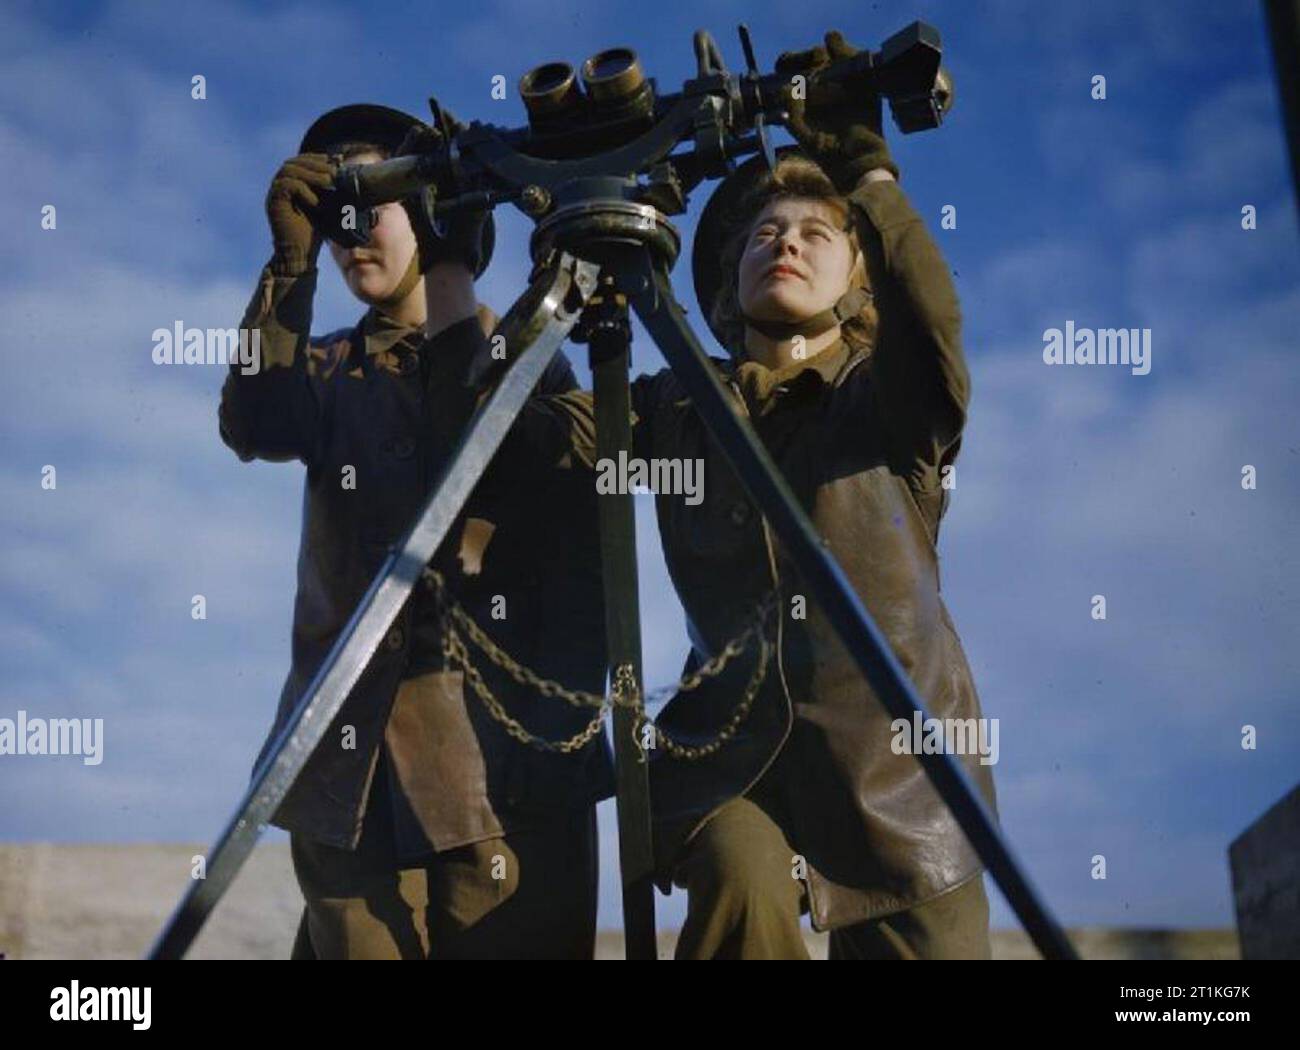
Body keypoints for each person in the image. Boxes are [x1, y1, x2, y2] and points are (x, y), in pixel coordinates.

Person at [437, 29, 999, 959]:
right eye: (764, 235)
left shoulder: (882, 400)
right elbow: (510, 445)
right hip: (731, 764)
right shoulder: (681, 410)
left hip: (900, 788)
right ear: (728, 282)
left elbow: (931, 333)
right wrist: (553, 287)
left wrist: (869, 172)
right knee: (739, 876)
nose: (787, 243)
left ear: (860, 278)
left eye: (819, 235)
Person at [218, 103, 614, 959]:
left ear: (429, 219)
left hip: (490, 774)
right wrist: (287, 267)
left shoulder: (524, 354)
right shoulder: (323, 367)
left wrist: (450, 274)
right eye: (334, 220)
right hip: (340, 777)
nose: (349, 236)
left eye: (375, 208)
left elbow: (511, 449)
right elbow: (255, 422)